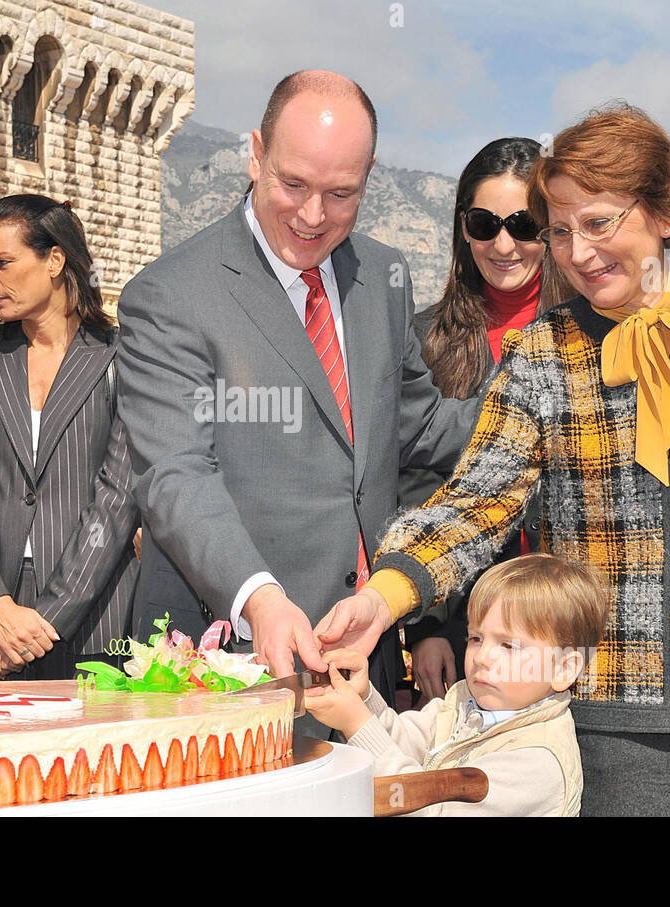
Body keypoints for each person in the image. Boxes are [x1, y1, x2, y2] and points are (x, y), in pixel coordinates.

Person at [316, 103, 670, 816]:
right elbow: (477, 502)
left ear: (664, 214)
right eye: (559, 230)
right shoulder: (541, 355)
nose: (576, 251)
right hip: (603, 722)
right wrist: (383, 598)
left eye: (599, 222)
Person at [115, 71, 473, 714]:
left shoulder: (382, 276)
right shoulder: (170, 294)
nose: (312, 216)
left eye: (341, 194)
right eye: (293, 184)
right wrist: (259, 597)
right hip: (221, 663)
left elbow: (414, 428)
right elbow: (175, 474)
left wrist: (541, 402)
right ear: (255, 154)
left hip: (362, 665)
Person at [0, 194, 139, 682]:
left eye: (2, 262)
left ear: (55, 260)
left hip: (92, 626)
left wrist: (44, 622)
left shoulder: (121, 357)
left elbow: (118, 502)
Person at [402, 137, 572, 701]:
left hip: (571, 619)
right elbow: (415, 486)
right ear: (462, 228)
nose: (504, 245)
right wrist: (426, 627)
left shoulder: (592, 337)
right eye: (484, 223)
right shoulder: (425, 339)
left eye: (524, 226)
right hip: (467, 625)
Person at [308, 555, 608, 815]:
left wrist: (356, 723)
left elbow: (426, 810)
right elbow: (403, 742)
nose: (483, 657)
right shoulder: (461, 702)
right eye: (476, 638)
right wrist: (363, 699)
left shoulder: (537, 759)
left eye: (509, 646)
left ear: (564, 668)